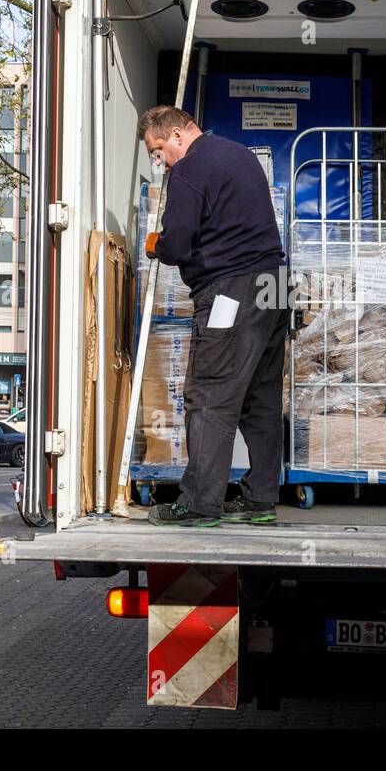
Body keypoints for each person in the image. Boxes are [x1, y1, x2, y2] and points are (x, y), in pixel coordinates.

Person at [138, 104, 289, 527]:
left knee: (209, 395)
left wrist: (156, 244)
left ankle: (199, 505)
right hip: (273, 284)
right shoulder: (239, 154)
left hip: (232, 291)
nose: (160, 160)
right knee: (260, 398)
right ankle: (260, 499)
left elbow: (179, 244)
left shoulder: (188, 170)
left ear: (178, 136)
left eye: (159, 149)